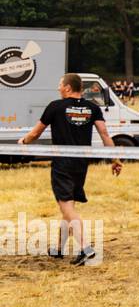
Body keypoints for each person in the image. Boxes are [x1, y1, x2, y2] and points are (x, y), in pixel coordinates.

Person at [17, 72, 122, 264]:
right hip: (81, 163)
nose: (58, 88)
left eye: (59, 85)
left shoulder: (55, 107)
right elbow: (105, 134)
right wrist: (115, 158)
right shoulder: (92, 108)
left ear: (67, 87)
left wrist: (23, 141)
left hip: (62, 163)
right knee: (68, 206)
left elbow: (36, 132)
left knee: (66, 206)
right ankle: (58, 248)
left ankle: (85, 247)